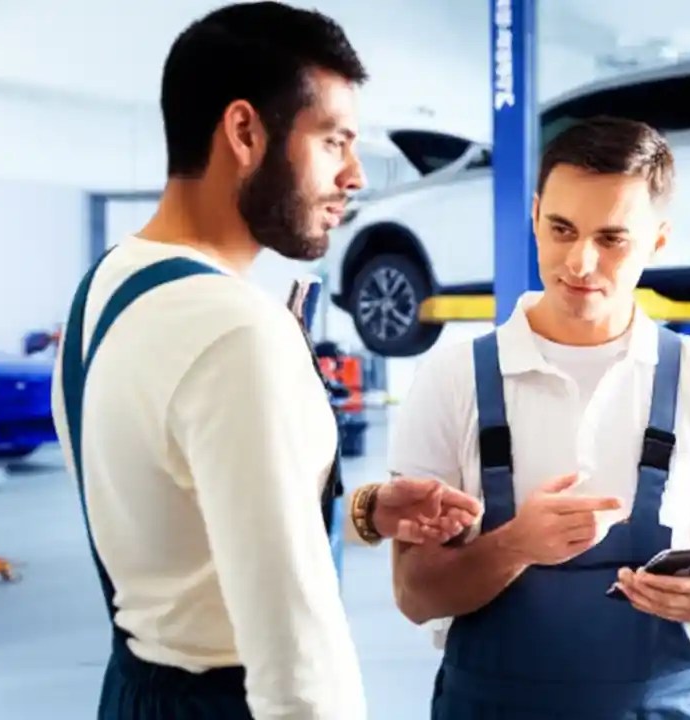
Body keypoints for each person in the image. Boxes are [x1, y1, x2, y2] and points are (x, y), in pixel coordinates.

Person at [50, 4, 479, 719]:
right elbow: (296, 656)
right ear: (245, 131)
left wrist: (360, 510)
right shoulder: (238, 331)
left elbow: (178, 513)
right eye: (334, 141)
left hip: (136, 689)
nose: (354, 175)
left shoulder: (104, 287)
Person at [388, 116, 690, 719]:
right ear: (534, 216)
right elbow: (414, 594)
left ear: (658, 240)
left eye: (612, 238)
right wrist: (512, 547)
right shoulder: (451, 380)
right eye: (561, 229)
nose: (580, 262)